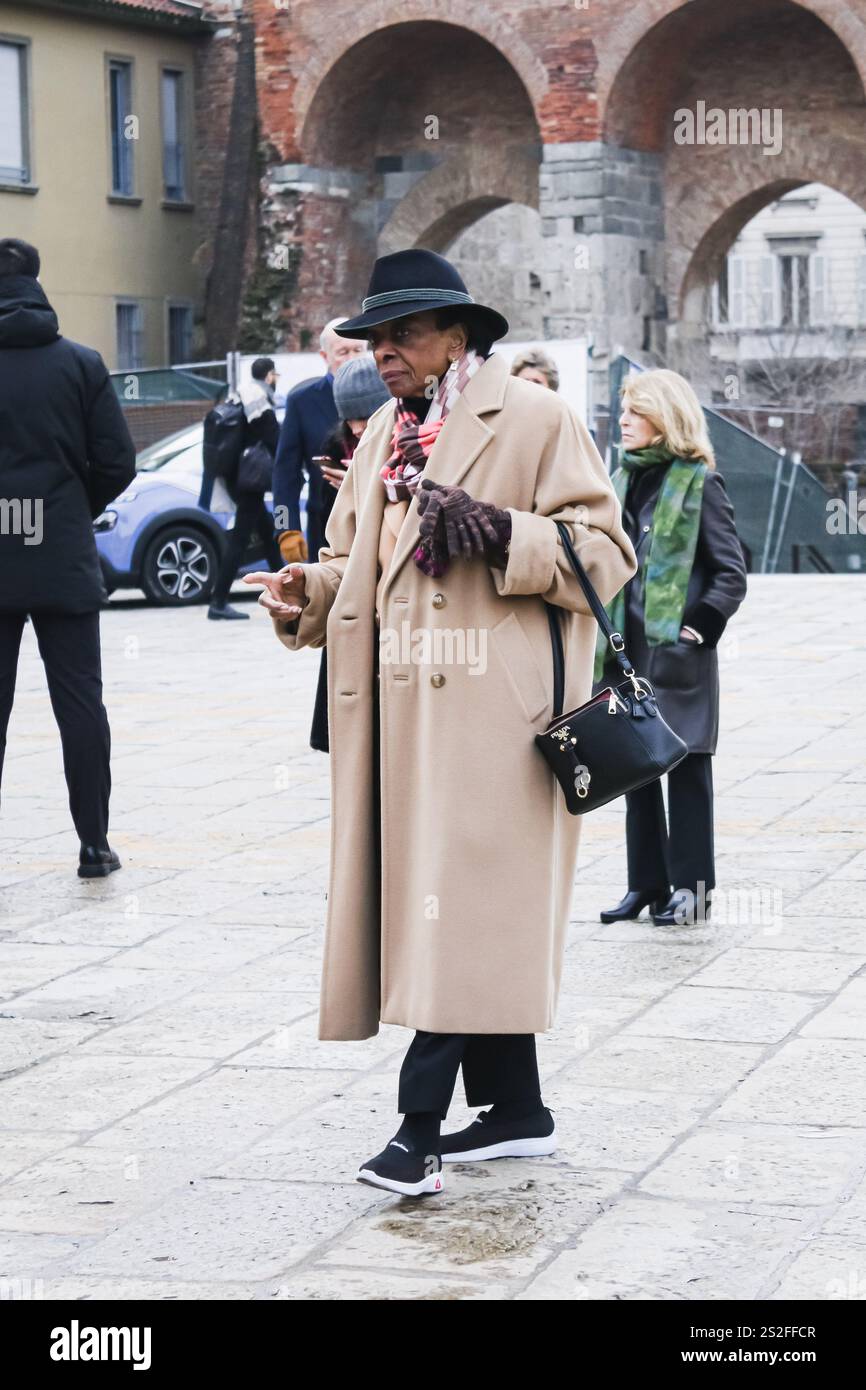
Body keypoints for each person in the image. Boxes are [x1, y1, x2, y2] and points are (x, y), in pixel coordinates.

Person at [245, 248, 636, 1198]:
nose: (383, 350)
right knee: (458, 909)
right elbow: (351, 563)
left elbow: (608, 553)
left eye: (403, 332)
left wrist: (501, 530)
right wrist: (306, 589)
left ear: (458, 335)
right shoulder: (384, 431)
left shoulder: (537, 418)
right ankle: (516, 1112)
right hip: (404, 722)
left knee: (456, 915)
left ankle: (416, 1132)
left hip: (501, 722)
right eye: (374, 336)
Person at [0, 238, 136, 877]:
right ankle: (92, 844)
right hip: (61, 555)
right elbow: (117, 461)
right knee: (81, 705)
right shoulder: (82, 365)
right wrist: (69, 510)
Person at [597, 369, 747, 928]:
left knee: (686, 772)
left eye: (636, 411)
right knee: (635, 771)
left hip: (677, 653)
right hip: (625, 650)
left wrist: (697, 628)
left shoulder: (700, 482)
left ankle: (693, 890)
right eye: (624, 411)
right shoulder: (618, 481)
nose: (625, 421)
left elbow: (731, 574)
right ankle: (647, 886)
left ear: (666, 417)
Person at [309, 354, 391, 753]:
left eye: (364, 417)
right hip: (350, 584)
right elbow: (329, 525)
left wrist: (363, 486)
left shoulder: (404, 438)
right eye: (350, 420)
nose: (358, 428)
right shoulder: (334, 444)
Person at [272, 318, 368, 562]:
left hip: (375, 519)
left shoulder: (388, 393)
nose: (351, 358)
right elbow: (285, 473)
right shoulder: (301, 401)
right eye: (343, 352)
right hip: (324, 525)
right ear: (325, 356)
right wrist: (285, 528)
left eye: (358, 350)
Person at [207, 356, 283, 621]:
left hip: (240, 477)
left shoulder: (238, 393)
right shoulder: (257, 396)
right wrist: (289, 465)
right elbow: (273, 435)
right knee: (239, 539)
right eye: (276, 375)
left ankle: (283, 591)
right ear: (270, 375)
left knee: (267, 533)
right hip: (249, 480)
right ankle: (218, 601)